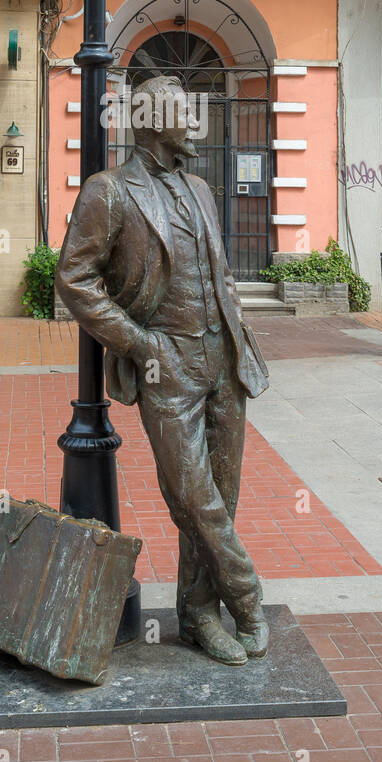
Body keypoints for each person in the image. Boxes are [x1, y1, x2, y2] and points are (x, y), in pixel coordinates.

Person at [56, 74, 269, 668]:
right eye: (183, 114)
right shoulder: (110, 191)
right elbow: (74, 279)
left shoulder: (200, 189)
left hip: (223, 361)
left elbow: (218, 272)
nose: (194, 125)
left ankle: (199, 615)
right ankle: (247, 598)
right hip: (165, 365)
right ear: (151, 121)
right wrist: (143, 344)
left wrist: (237, 333)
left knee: (220, 499)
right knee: (192, 497)